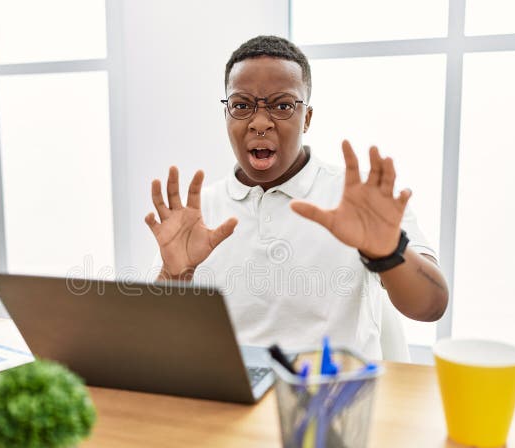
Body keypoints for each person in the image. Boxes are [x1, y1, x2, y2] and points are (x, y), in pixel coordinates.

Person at [144, 35, 448, 358]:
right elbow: (151, 336)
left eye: (283, 105)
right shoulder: (199, 211)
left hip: (331, 397)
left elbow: (432, 304)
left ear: (307, 117)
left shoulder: (357, 199)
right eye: (242, 105)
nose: (260, 123)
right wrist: (175, 276)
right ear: (226, 114)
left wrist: (388, 252)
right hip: (229, 398)